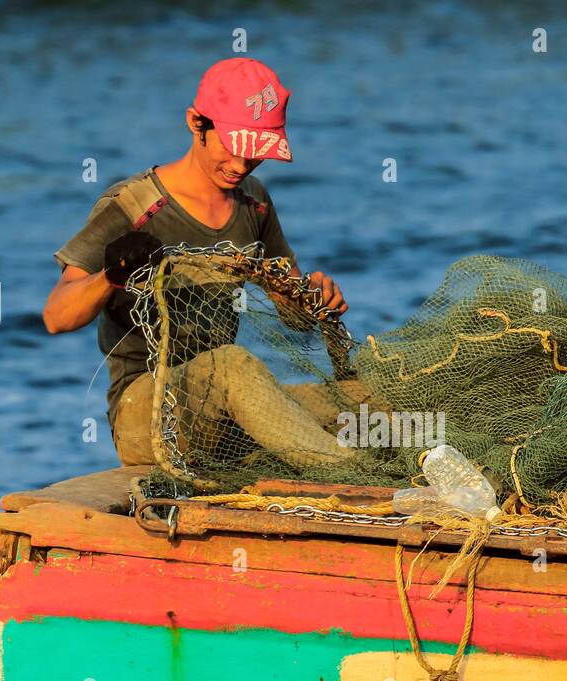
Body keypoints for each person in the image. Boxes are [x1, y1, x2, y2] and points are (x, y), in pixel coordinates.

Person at [43, 57, 359, 469]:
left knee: (360, 402)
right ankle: (351, 476)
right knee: (233, 365)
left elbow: (295, 318)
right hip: (149, 411)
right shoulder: (133, 206)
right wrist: (111, 275)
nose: (241, 166)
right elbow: (56, 316)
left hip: (226, 405)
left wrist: (316, 298)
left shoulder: (255, 203)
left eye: (255, 154)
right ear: (197, 124)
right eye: (233, 149)